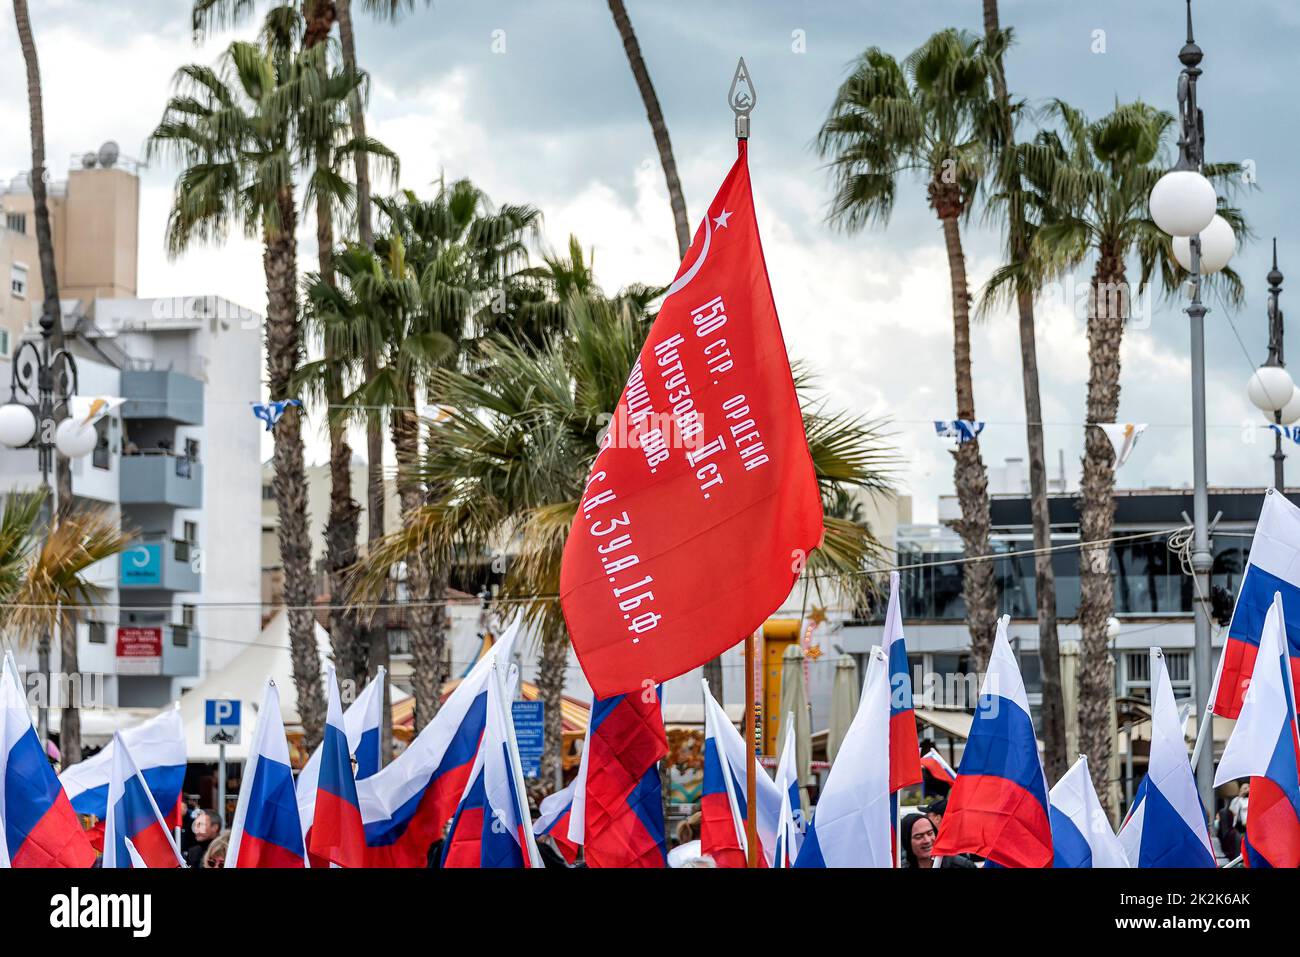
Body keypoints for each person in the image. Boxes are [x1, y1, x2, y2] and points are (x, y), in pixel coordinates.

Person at [901, 812, 975, 869]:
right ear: (907, 842)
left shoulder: (962, 866)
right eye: (919, 837)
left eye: (930, 833)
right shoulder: (899, 865)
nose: (927, 840)